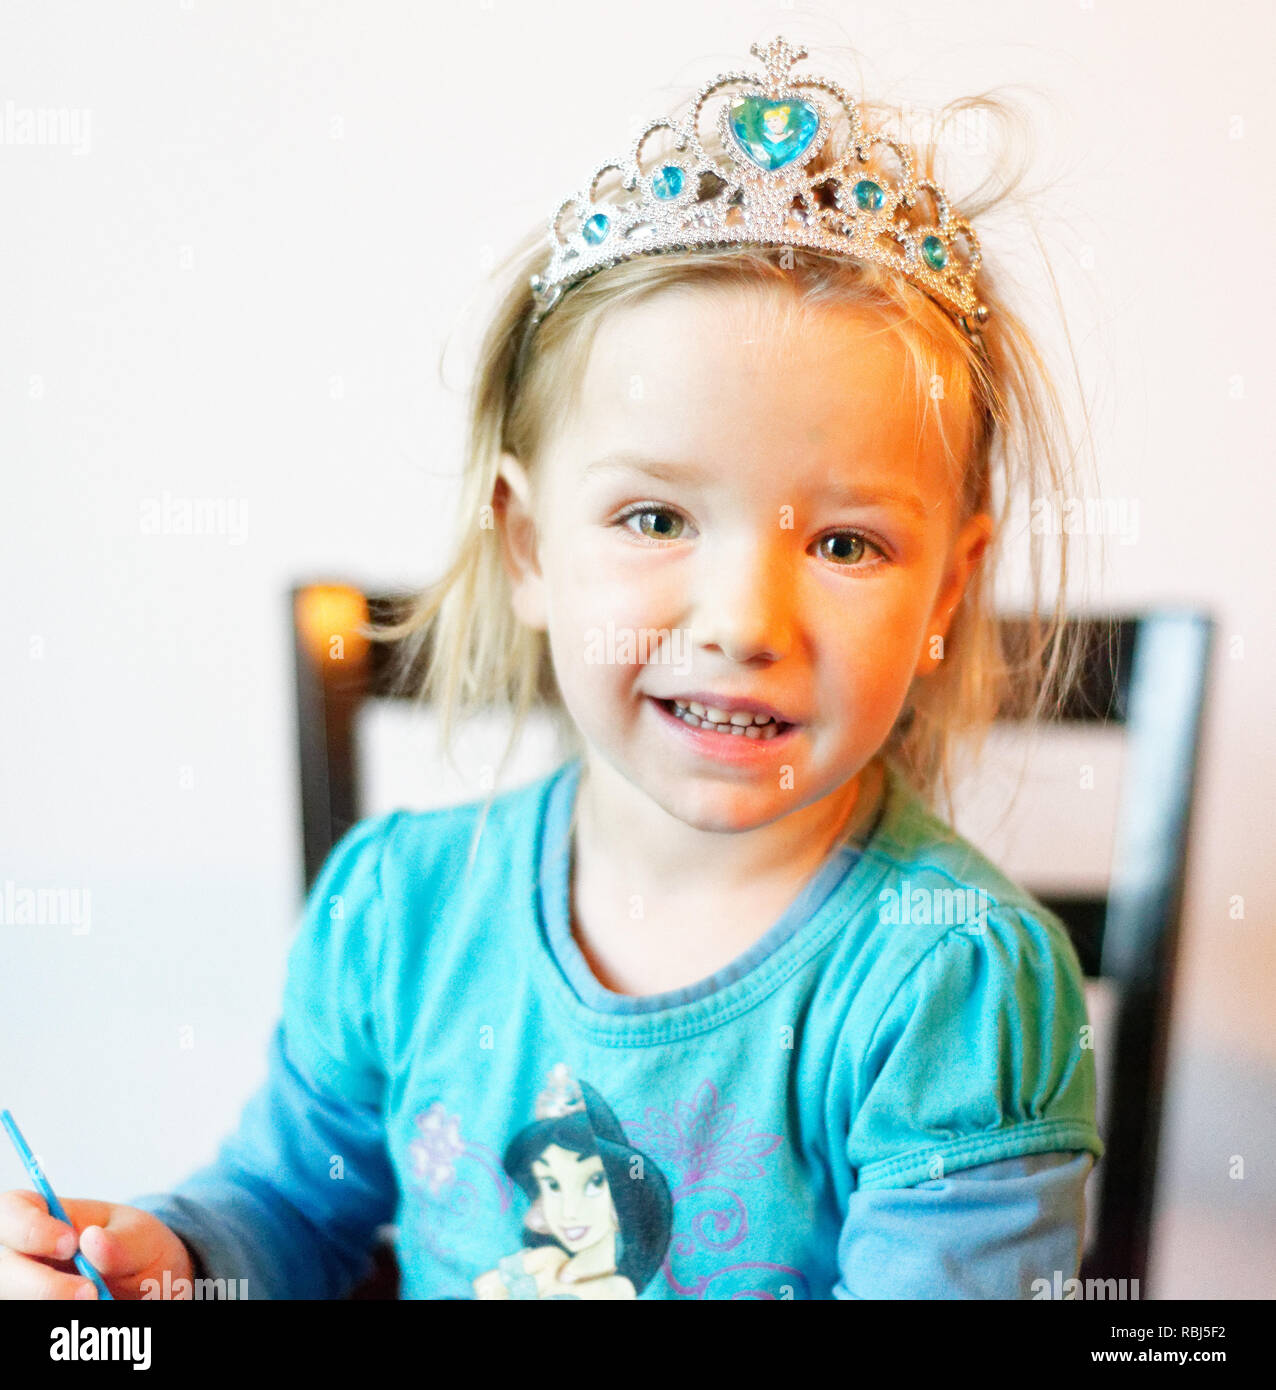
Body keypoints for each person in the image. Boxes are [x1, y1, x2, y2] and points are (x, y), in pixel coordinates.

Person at [0, 35, 1104, 1300]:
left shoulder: (953, 981)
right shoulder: (400, 912)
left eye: (845, 542)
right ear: (528, 546)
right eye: (656, 518)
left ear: (945, 591)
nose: (744, 621)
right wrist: (180, 1263)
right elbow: (291, 1205)